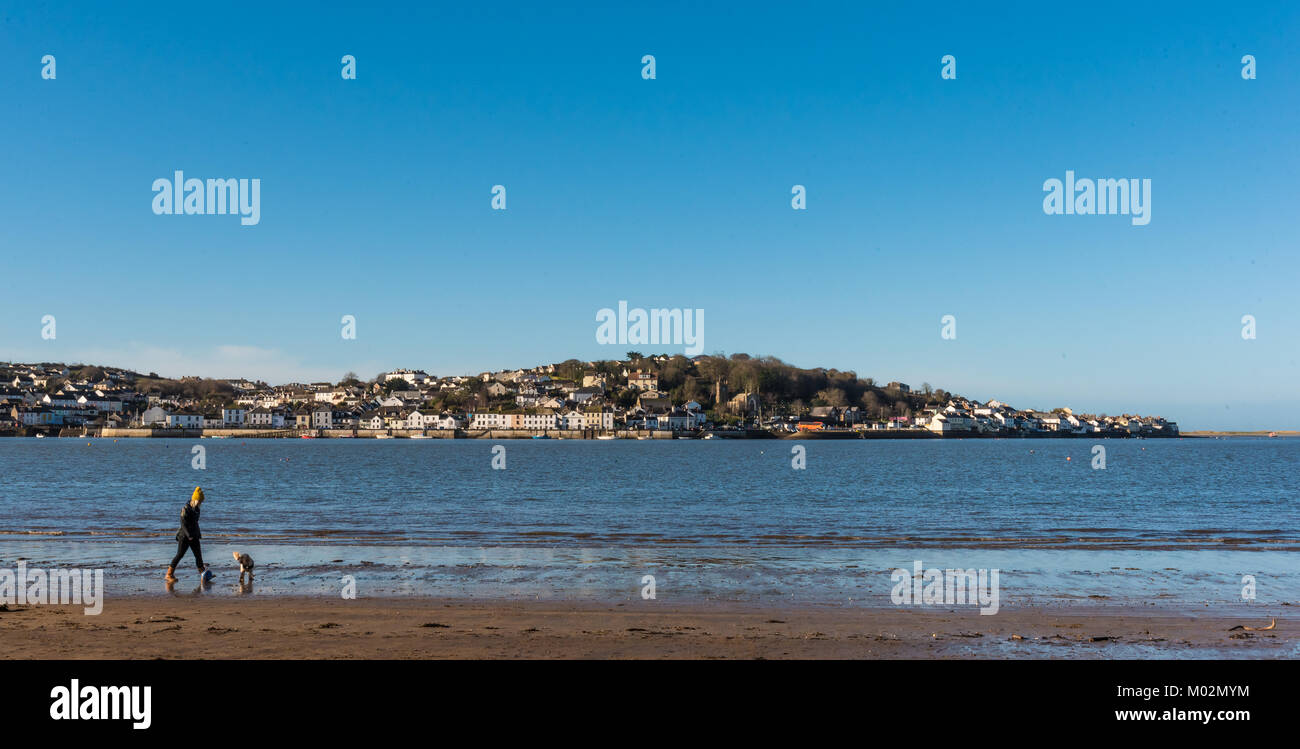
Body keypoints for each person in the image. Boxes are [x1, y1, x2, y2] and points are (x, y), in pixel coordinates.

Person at [165, 486, 210, 581]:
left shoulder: (197, 509)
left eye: (201, 502)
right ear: (195, 499)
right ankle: (169, 574)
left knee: (198, 555)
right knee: (180, 555)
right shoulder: (185, 508)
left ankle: (203, 574)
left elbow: (195, 522)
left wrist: (196, 534)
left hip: (195, 535)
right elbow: (183, 523)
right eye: (199, 501)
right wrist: (188, 535)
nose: (200, 503)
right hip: (184, 536)